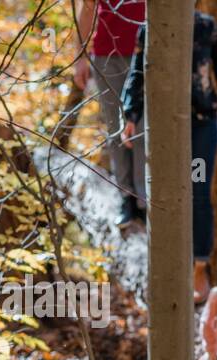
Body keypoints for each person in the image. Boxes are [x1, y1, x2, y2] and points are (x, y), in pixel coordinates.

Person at [121, 10, 217, 303]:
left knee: (197, 189)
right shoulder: (150, 27)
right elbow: (137, 73)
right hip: (164, 129)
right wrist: (130, 116)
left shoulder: (205, 26)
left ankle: (199, 266)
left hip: (201, 127)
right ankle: (166, 265)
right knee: (164, 191)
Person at [73, 0, 147, 228]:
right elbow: (86, 10)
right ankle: (127, 198)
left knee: (141, 129)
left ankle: (144, 200)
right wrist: (80, 58)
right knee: (116, 128)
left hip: (145, 53)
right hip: (107, 56)